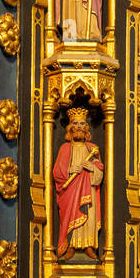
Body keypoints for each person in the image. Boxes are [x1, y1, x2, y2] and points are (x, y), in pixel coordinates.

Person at [52, 107, 103, 259]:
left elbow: (100, 170)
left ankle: (88, 246)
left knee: (89, 214)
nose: (79, 127)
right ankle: (71, 246)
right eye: (76, 123)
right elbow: (56, 172)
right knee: (71, 213)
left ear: (86, 128)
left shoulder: (92, 149)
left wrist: (92, 167)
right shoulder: (65, 148)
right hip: (71, 190)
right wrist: (69, 170)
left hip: (88, 189)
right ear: (71, 127)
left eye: (82, 124)